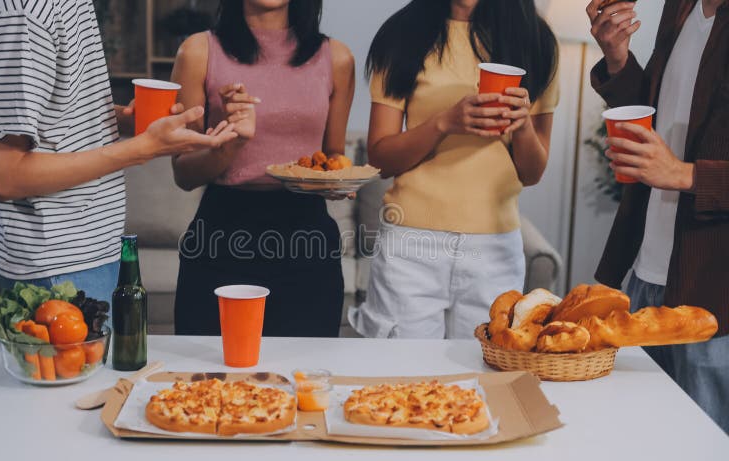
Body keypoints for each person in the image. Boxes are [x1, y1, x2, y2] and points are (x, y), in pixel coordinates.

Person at [0, 0, 237, 304]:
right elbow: (6, 176)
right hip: (58, 265)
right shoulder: (25, 13)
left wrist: (126, 118)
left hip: (84, 252)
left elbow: (55, 115)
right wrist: (142, 149)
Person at [349, 0, 559, 339]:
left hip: (495, 248)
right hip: (410, 245)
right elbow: (380, 159)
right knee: (402, 369)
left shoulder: (536, 40)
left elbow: (532, 173)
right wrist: (444, 123)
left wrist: (522, 127)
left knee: (484, 366)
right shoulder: (401, 34)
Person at [170, 0, 355, 337]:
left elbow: (332, 157)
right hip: (221, 236)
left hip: (307, 239)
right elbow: (183, 173)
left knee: (307, 366)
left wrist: (335, 182)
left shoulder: (337, 58)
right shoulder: (198, 51)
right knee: (208, 367)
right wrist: (232, 143)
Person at [587, 0, 728, 433]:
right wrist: (617, 57)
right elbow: (656, 115)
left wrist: (685, 174)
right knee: (635, 439)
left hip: (714, 298)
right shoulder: (681, 7)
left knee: (705, 445)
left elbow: (675, 165)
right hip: (646, 277)